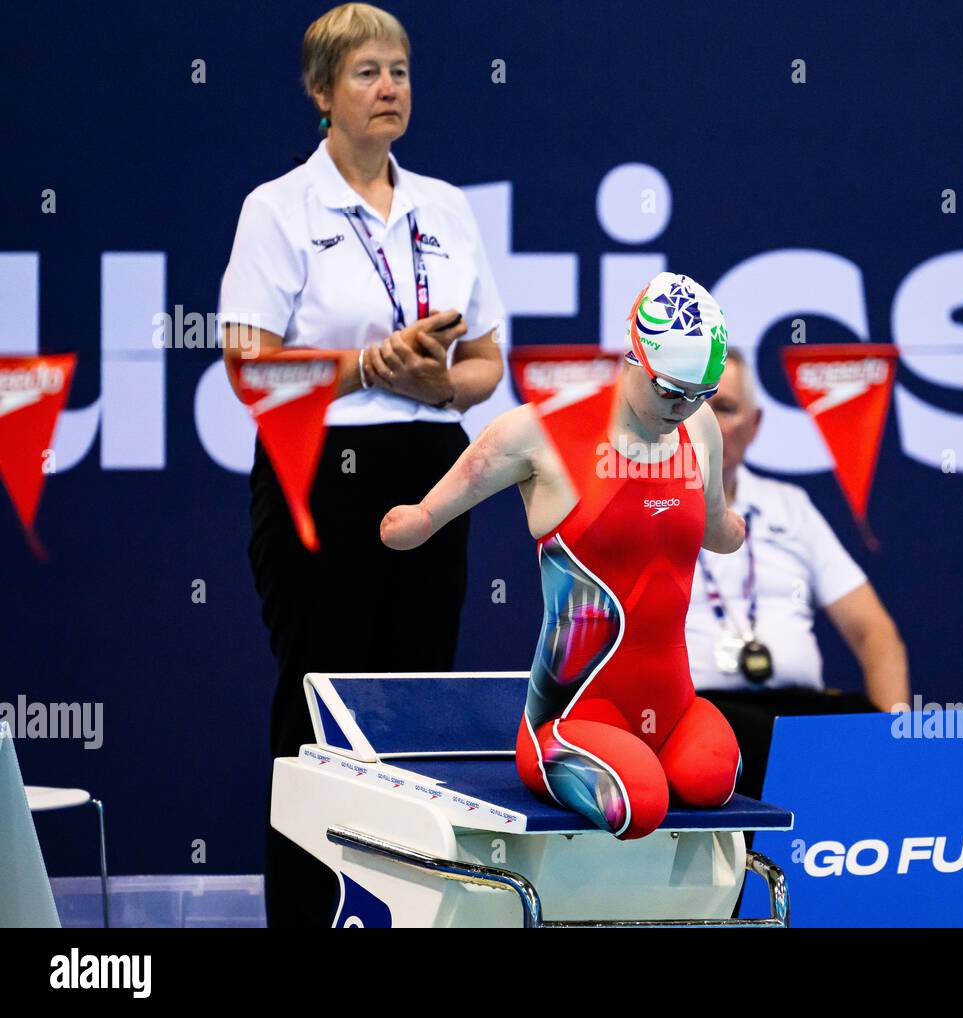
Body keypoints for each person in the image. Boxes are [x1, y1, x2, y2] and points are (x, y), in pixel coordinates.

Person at [216, 3, 505, 926]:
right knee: (321, 709)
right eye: (367, 73)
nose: (390, 90)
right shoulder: (278, 208)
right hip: (320, 473)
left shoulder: (448, 208)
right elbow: (249, 364)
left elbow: (491, 365)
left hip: (433, 468)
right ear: (321, 92)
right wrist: (365, 364)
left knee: (415, 706)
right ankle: (306, 918)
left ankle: (408, 915)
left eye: (402, 72)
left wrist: (437, 387)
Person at [382, 273, 745, 839]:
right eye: (669, 388)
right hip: (575, 713)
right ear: (635, 353)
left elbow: (717, 525)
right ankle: (544, 742)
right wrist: (414, 522)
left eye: (699, 393)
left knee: (713, 782)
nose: (680, 407)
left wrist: (731, 530)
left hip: (673, 707)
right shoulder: (543, 432)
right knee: (639, 803)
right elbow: (436, 509)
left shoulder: (699, 426)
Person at [687, 349, 910, 799]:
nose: (708, 424)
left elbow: (874, 633)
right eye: (698, 405)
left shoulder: (790, 506)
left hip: (796, 712)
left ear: (754, 426)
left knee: (860, 729)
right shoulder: (642, 506)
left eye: (725, 408)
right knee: (755, 741)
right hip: (703, 712)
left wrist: (896, 743)